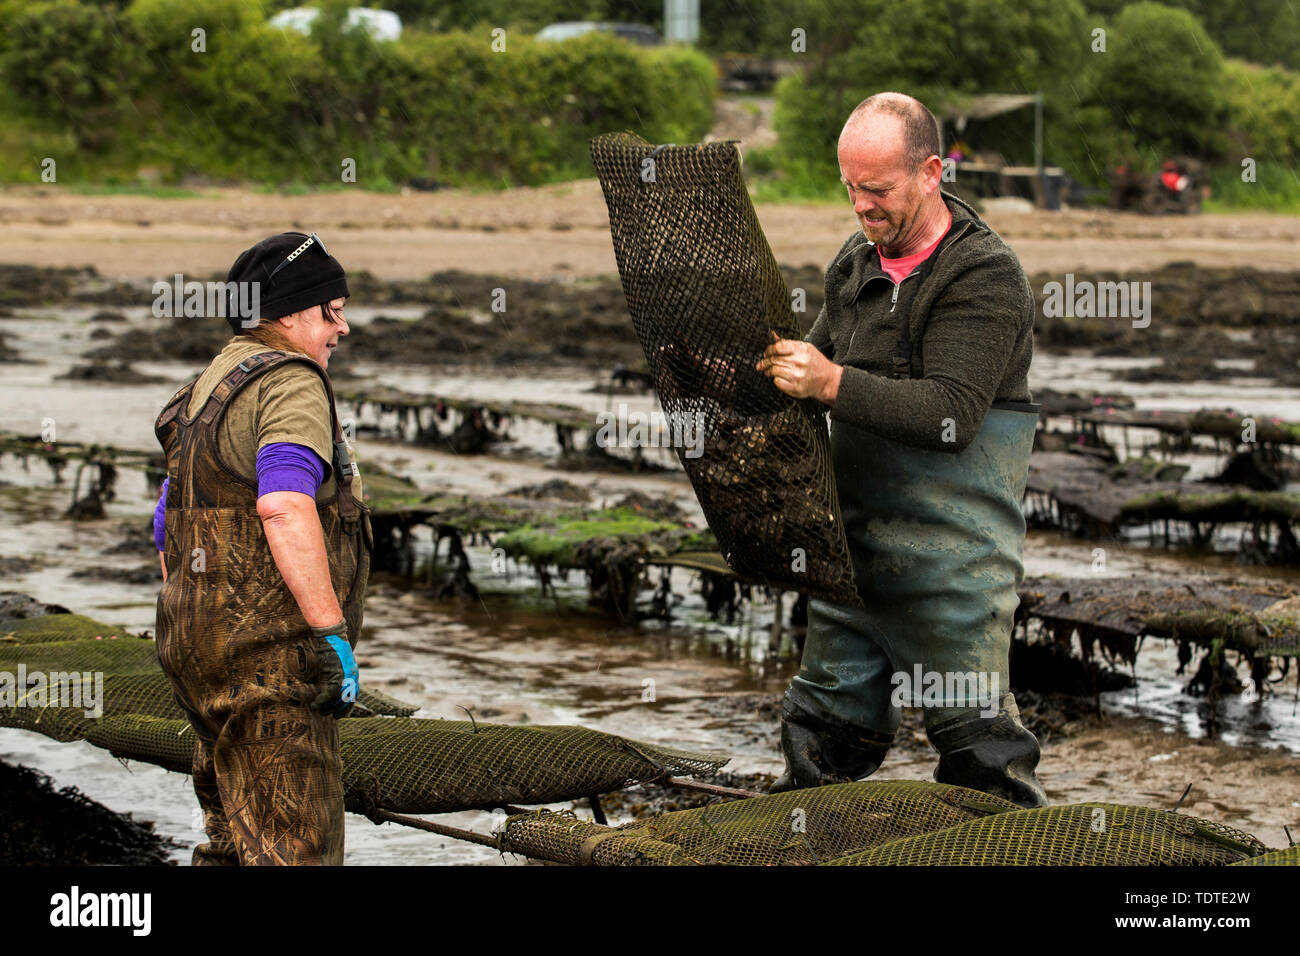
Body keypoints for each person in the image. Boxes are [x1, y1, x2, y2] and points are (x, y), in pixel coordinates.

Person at [756, 92, 1048, 807]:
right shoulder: (854, 265)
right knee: (821, 725)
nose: (860, 206)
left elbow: (952, 414)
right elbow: (811, 364)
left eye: (877, 189)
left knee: (981, 749)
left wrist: (829, 383)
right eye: (849, 187)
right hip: (856, 552)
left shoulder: (982, 276)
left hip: (958, 561)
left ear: (930, 172)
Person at [152, 231, 373, 864]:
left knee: (229, 843)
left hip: (196, 660)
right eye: (331, 309)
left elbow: (167, 526)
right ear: (290, 313)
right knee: (292, 850)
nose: (343, 326)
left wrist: (199, 628)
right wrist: (329, 634)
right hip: (271, 670)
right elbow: (283, 504)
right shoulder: (289, 384)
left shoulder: (203, 389)